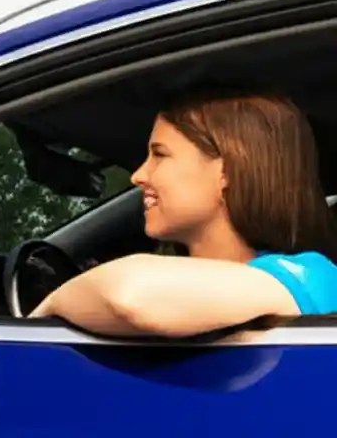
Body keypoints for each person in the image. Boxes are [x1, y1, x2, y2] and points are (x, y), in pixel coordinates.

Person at [30, 88, 337, 337]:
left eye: (159, 154)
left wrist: (51, 306)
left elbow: (132, 295)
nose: (138, 175)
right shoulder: (180, 298)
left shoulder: (316, 278)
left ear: (228, 169)